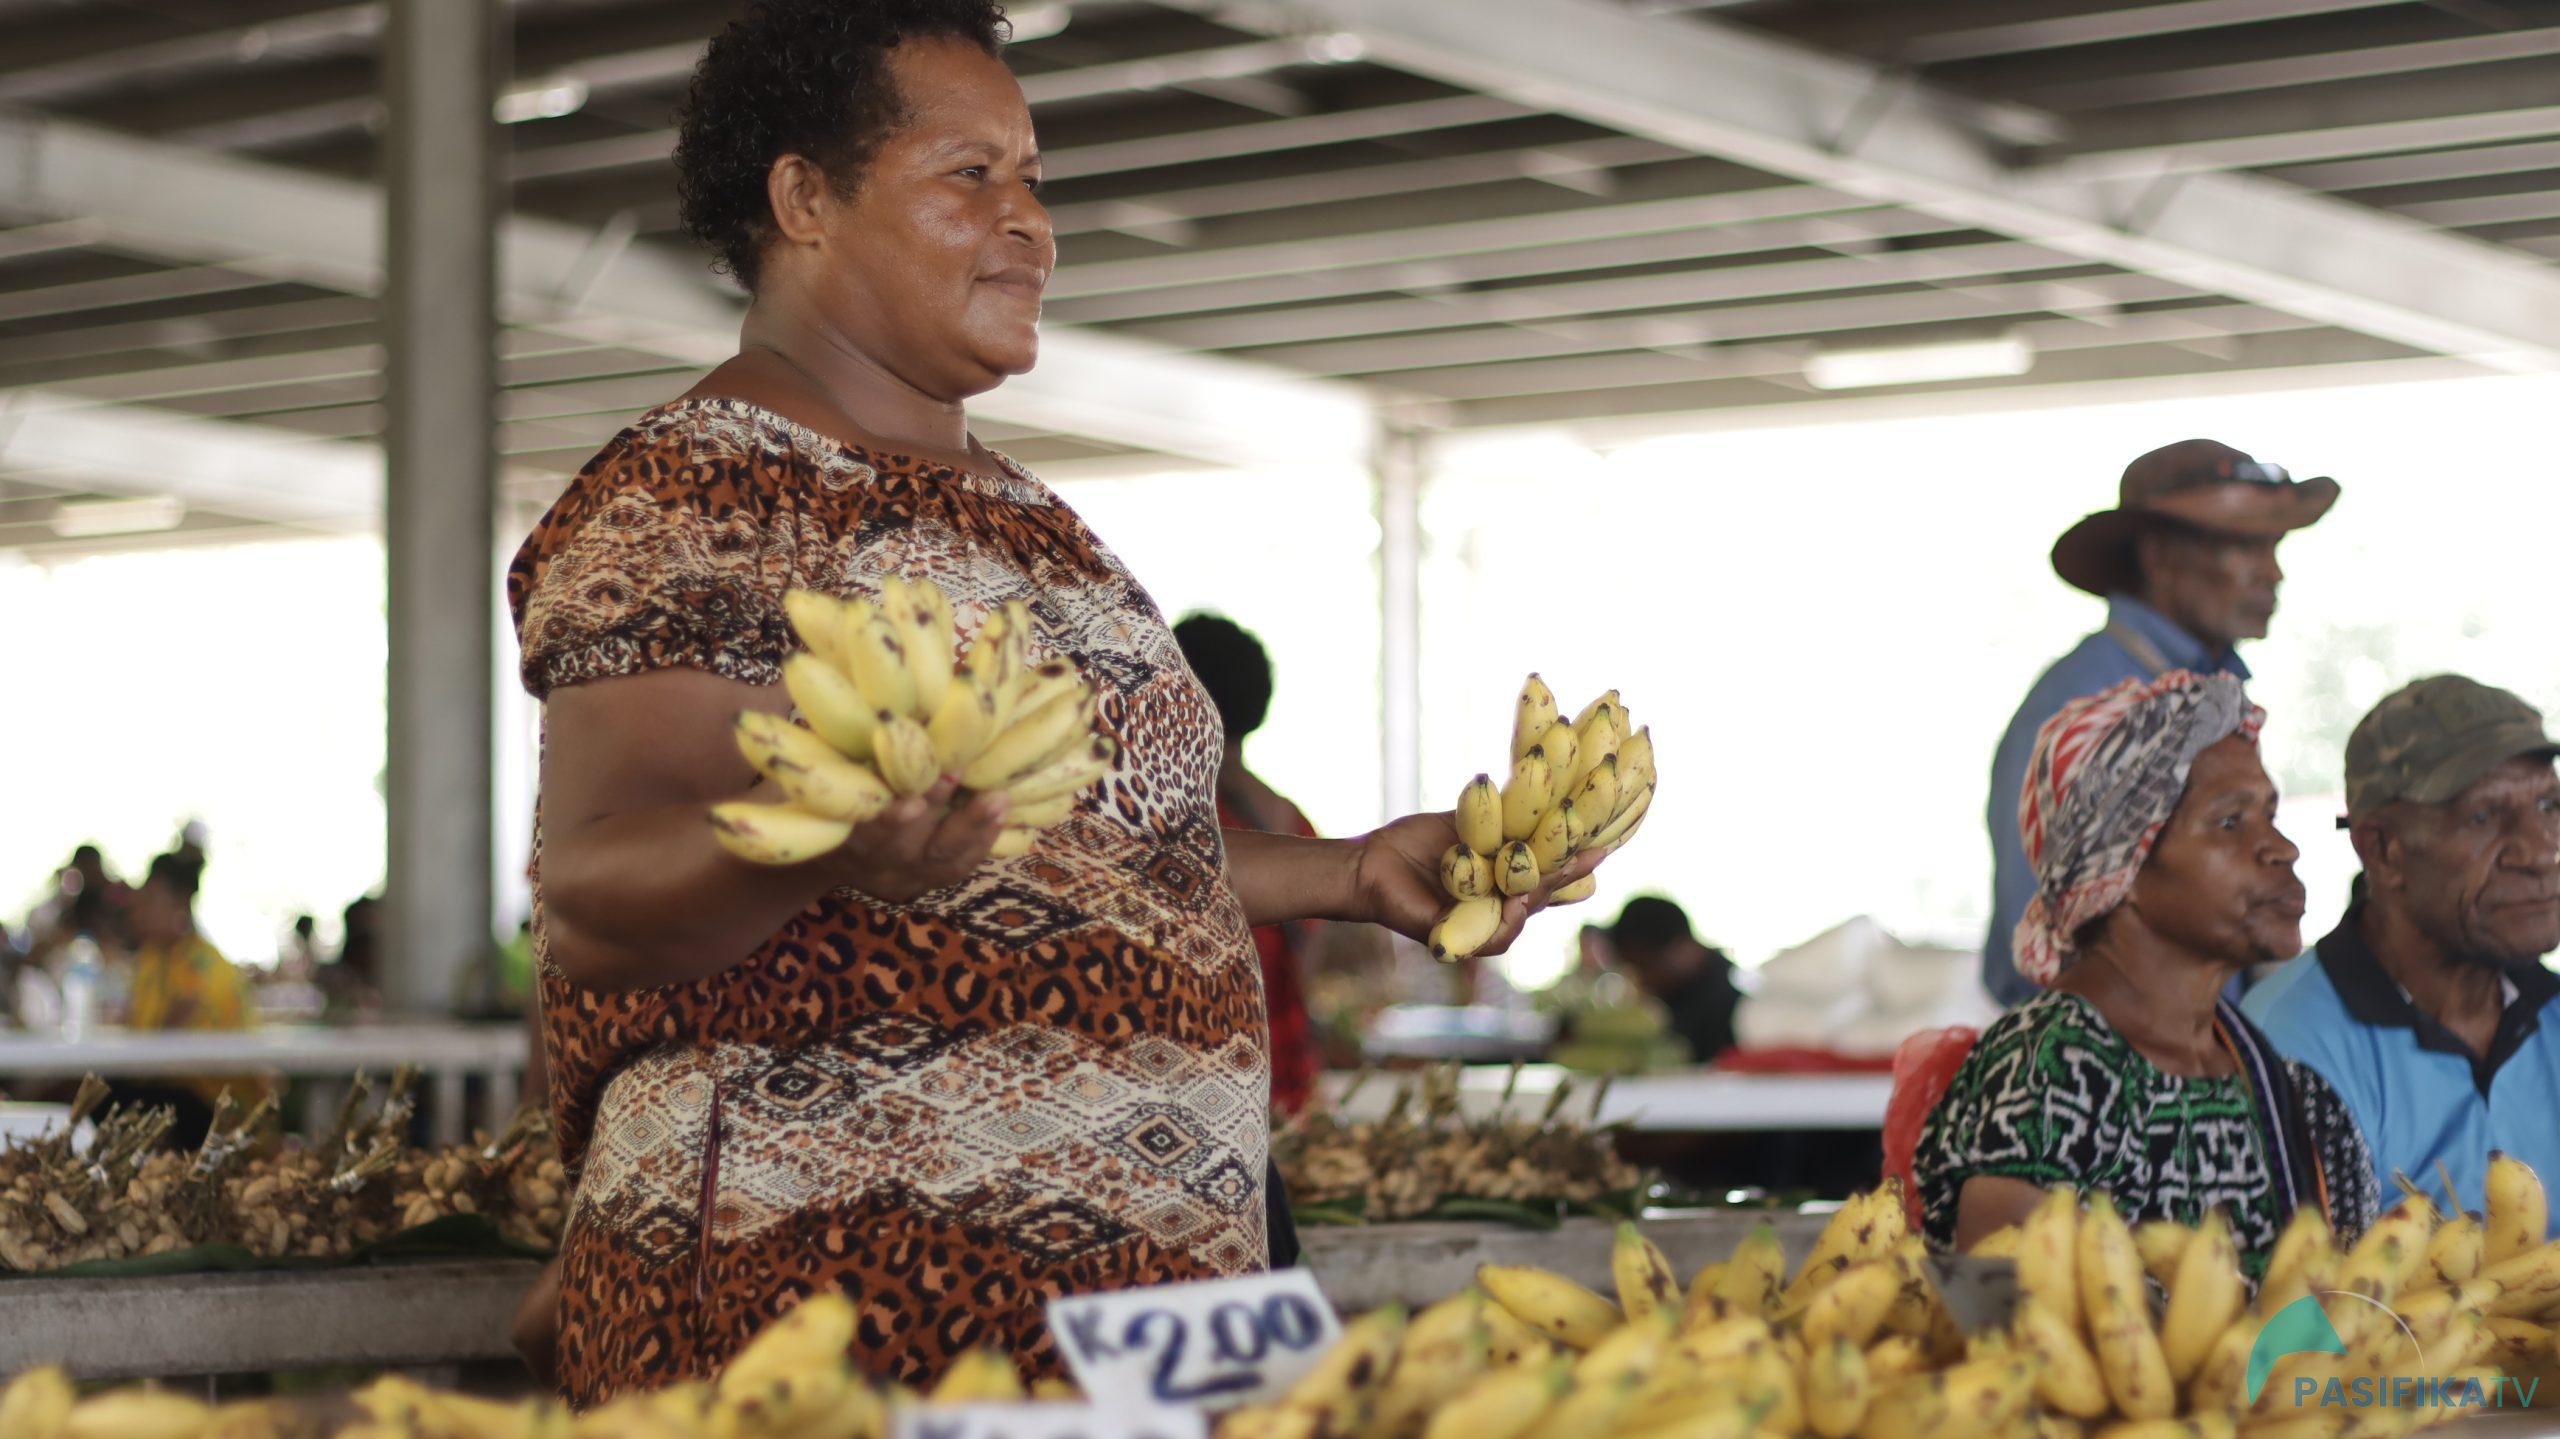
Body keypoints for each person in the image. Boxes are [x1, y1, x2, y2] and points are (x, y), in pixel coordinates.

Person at [504, 0, 1589, 1404]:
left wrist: (1350, 869)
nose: (1029, 222)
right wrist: (826, 843)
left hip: (1141, 1327)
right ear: (803, 199)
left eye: (1034, 179)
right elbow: (592, 892)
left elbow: (1079, 854)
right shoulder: (694, 492)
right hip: (836, 1322)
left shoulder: (1036, 521)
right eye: (970, 176)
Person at [1920, 671, 2377, 1277]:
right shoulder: (2048, 1071)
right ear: (2121, 871)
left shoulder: (2291, 1095)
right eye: (2229, 823)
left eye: (2270, 814)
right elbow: (2021, 1332)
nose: (2281, 848)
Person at [1982, 440, 2338, 1005]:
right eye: (2244, 546)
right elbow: (2045, 948)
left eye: (2272, 546)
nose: (2272, 572)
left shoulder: (2213, 694)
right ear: (2159, 555)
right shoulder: (2083, 708)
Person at [2244, 676, 2560, 1231]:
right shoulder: (2287, 1052)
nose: (2541, 851)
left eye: (2549, 805)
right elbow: (2301, 1307)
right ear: (2384, 851)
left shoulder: (2552, 1014)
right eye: (2484, 816)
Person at [1171, 613, 1322, 1116]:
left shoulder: (1174, 822)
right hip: (1285, 1072)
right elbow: (1308, 963)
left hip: (1201, 1083)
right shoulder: (1291, 819)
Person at [121, 852, 261, 1144]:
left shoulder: (204, 969)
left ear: (180, 904)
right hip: (167, 1092)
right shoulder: (152, 958)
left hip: (214, 1105)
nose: (139, 910)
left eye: (150, 901)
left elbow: (160, 1050)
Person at [1604, 896, 1739, 1065]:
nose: (1640, 981)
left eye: (1643, 967)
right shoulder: (1678, 997)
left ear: (1681, 949)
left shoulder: (1735, 1003)